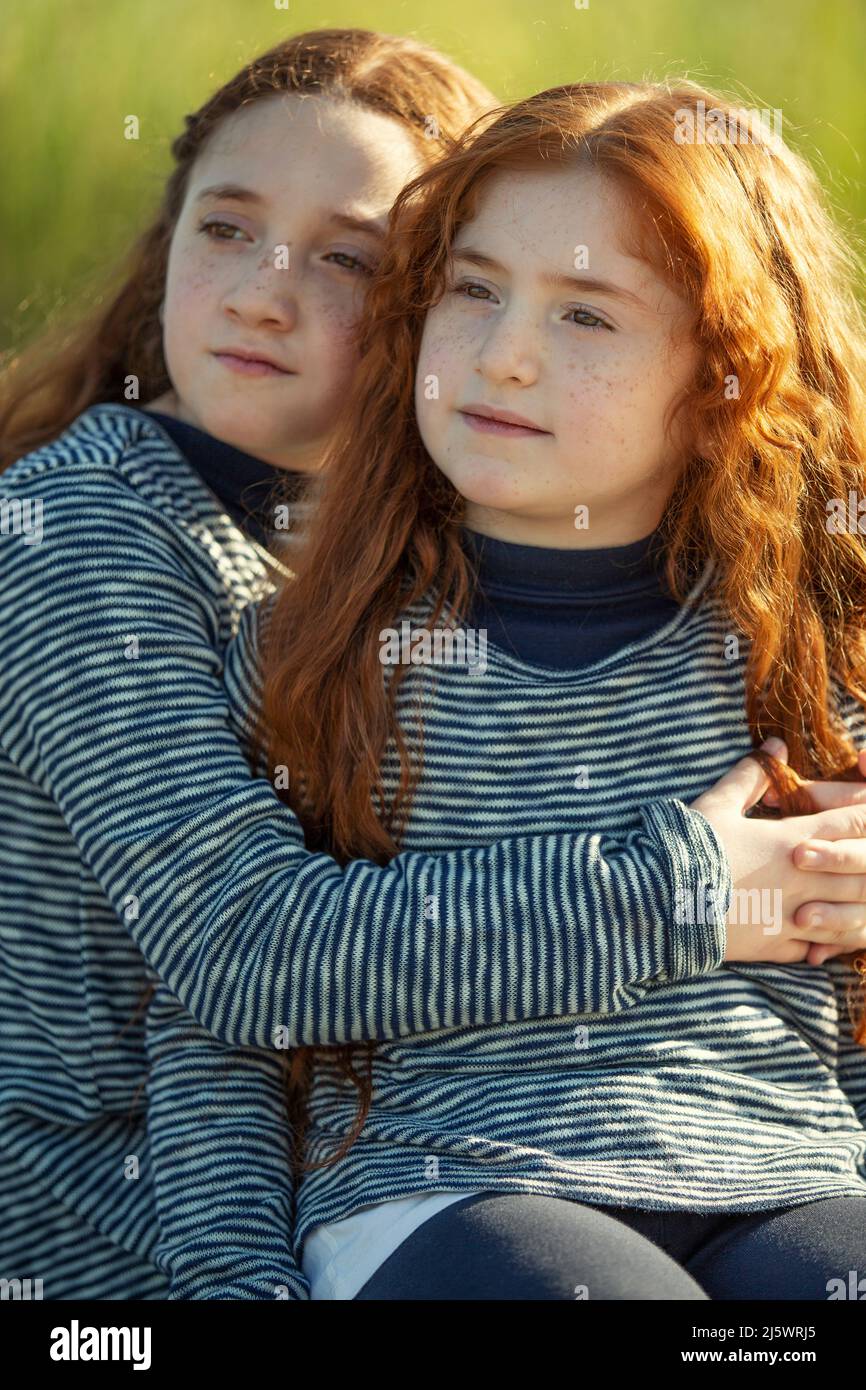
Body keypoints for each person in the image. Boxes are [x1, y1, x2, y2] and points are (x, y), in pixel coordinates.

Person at [209, 78, 866, 1299]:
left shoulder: (808, 663)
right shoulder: (309, 656)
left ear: (727, 375)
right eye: (471, 289)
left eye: (585, 317)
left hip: (787, 1171)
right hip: (446, 1184)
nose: (502, 356)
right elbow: (228, 1022)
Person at [0, 25, 503, 1300]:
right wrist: (696, 888)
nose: (261, 292)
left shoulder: (413, 539)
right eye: (225, 228)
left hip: (356, 1170)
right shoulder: (83, 534)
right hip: (102, 1236)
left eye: (344, 257)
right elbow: (249, 949)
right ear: (169, 237)